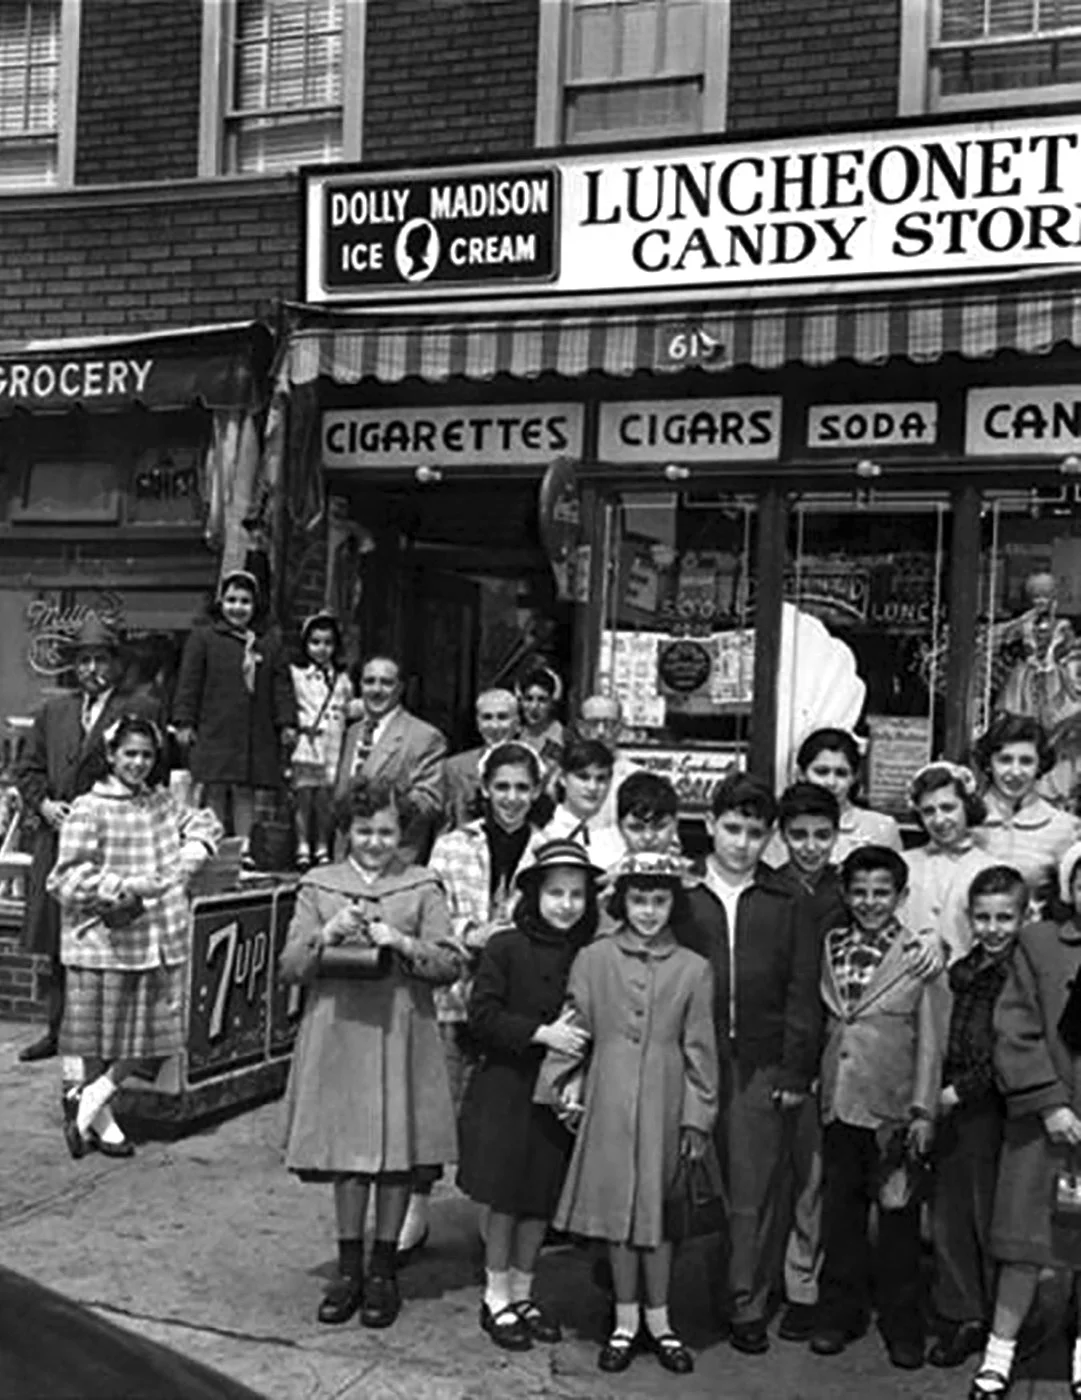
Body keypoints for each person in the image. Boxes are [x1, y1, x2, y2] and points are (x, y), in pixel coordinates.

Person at [279, 778, 461, 1331]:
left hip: (402, 1031)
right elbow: (288, 966)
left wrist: (402, 943)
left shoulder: (423, 885)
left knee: (397, 1155)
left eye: (386, 831)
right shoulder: (318, 886)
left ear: (402, 832)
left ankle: (385, 1269)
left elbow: (451, 963)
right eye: (364, 831)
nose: (376, 842)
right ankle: (349, 1267)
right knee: (348, 1155)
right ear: (345, 831)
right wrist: (325, 935)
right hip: (338, 1032)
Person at [537, 851, 718, 1376]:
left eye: (659, 901)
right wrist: (561, 1086)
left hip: (666, 1099)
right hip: (609, 1095)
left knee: (659, 1219)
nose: (648, 912)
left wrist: (697, 1118)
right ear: (622, 902)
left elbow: (700, 1048)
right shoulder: (594, 959)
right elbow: (575, 1024)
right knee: (618, 1217)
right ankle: (623, 1320)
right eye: (638, 900)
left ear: (673, 905)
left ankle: (660, 1322)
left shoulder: (693, 968)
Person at [673, 772, 821, 1357]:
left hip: (759, 1061)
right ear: (709, 825)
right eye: (731, 828)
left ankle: (746, 1302)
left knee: (752, 1190)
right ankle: (657, 1298)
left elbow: (801, 990)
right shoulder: (683, 896)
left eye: (755, 832)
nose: (741, 843)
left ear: (770, 838)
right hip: (690, 1058)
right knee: (678, 1179)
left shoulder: (787, 901)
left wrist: (794, 1070)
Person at [47, 715, 221, 1159]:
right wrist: (120, 886)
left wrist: (193, 853)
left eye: (146, 755)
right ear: (111, 756)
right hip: (102, 941)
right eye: (130, 754)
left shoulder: (160, 802)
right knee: (96, 1039)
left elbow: (205, 822)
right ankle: (101, 1122)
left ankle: (90, 1098)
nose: (138, 763)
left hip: (157, 940)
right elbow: (63, 879)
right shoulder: (89, 807)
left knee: (152, 1036)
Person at [458, 839, 600, 1351]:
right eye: (556, 892)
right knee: (505, 1197)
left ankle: (524, 1291)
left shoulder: (590, 954)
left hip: (559, 1096)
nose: (566, 904)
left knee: (540, 1196)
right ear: (534, 893)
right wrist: (542, 1034)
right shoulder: (505, 947)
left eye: (577, 894)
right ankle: (495, 1294)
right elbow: (482, 1017)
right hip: (507, 1087)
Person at [811, 846, 946, 1371]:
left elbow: (931, 1042)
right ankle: (838, 1313)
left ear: (901, 896)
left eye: (882, 892)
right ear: (846, 894)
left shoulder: (919, 955)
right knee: (840, 1216)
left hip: (893, 1112)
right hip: (840, 1104)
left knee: (898, 1223)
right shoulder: (831, 944)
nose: (870, 902)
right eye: (860, 892)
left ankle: (901, 1324)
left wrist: (922, 1110)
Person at [410, 742, 547, 1258]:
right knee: (437, 1104)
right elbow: (437, 910)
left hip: (514, 1002)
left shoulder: (546, 845)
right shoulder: (453, 844)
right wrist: (476, 932)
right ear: (485, 789)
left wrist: (509, 940)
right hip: (455, 994)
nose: (511, 798)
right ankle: (416, 1210)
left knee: (501, 1118)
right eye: (502, 787)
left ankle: (494, 1214)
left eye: (522, 788)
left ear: (536, 792)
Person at [15, 616, 163, 1067]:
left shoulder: (137, 710)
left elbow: (151, 772)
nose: (92, 669)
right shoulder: (54, 712)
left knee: (101, 937)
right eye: (84, 661)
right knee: (59, 939)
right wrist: (43, 807)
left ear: (116, 664)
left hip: (110, 842)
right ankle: (56, 1030)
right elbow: (28, 770)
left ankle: (103, 1040)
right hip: (56, 838)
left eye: (100, 659)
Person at [968, 840, 1081, 1399]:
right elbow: (1014, 1026)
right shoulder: (1038, 945)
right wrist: (1050, 1101)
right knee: (1023, 1242)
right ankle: (999, 1352)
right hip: (1043, 1122)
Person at [928, 864, 1026, 1372]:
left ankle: (999, 1319)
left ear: (1023, 916)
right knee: (951, 1215)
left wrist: (958, 1091)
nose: (992, 928)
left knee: (994, 1217)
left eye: (1004, 917)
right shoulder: (961, 970)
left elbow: (1013, 1048)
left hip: (994, 1107)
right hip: (951, 1106)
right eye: (983, 917)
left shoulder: (1022, 973)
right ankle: (960, 1314)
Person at [770, 782, 846, 1345]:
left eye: (821, 835)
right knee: (763, 1174)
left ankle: (803, 1286)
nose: (810, 846)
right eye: (798, 835)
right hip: (771, 1051)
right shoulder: (768, 889)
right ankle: (756, 1276)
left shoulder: (849, 893)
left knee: (811, 1179)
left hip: (830, 1051)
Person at [172, 569, 297, 864]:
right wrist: (184, 720)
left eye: (244, 601)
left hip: (254, 728)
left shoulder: (268, 642)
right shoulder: (204, 638)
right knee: (215, 785)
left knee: (245, 788)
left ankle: (243, 847)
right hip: (215, 723)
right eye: (231, 600)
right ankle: (212, 843)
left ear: (255, 606)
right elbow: (189, 681)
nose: (237, 607)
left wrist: (287, 722)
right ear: (220, 602)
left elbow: (282, 685)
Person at [335, 655, 446, 861]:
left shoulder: (424, 736)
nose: (376, 690)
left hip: (393, 862)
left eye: (386, 683)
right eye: (369, 682)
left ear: (400, 688)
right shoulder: (352, 732)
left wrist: (386, 797)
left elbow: (430, 802)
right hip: (346, 861)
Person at [974, 713, 1079, 916]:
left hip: (1034, 941)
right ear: (988, 763)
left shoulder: (1066, 828)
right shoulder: (967, 821)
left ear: (1040, 765)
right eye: (1005, 760)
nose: (1015, 772)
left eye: (1026, 761)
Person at [765, 728, 903, 869]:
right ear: (801, 774)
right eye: (821, 772)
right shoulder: (777, 827)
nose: (831, 782)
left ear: (855, 777)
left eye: (841, 773)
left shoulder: (880, 828)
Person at [905, 762, 996, 965]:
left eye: (948, 808)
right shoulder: (904, 864)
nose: (939, 820)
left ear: (967, 806)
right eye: (928, 811)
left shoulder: (990, 868)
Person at [288, 612, 354, 870]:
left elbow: (347, 709)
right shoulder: (297, 675)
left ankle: (322, 845)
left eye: (327, 643)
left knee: (326, 798)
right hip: (308, 741)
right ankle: (303, 845)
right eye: (315, 642)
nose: (321, 649)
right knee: (304, 796)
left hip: (333, 742)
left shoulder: (343, 679)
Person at [443, 688, 520, 831]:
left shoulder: (536, 766)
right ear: (478, 723)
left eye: (502, 717)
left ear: (516, 722)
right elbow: (446, 825)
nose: (494, 726)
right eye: (487, 718)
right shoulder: (455, 768)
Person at [543, 737, 624, 869]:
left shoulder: (620, 836)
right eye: (583, 777)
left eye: (601, 779)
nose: (593, 787)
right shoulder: (542, 830)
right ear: (563, 778)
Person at [576, 693, 640, 830]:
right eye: (593, 724)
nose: (600, 731)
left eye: (609, 724)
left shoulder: (637, 778)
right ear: (580, 727)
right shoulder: (563, 777)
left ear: (620, 727)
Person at [517, 666, 564, 784]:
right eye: (528, 699)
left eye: (542, 700)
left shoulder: (562, 737)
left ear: (552, 703)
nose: (534, 706)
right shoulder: (515, 734)